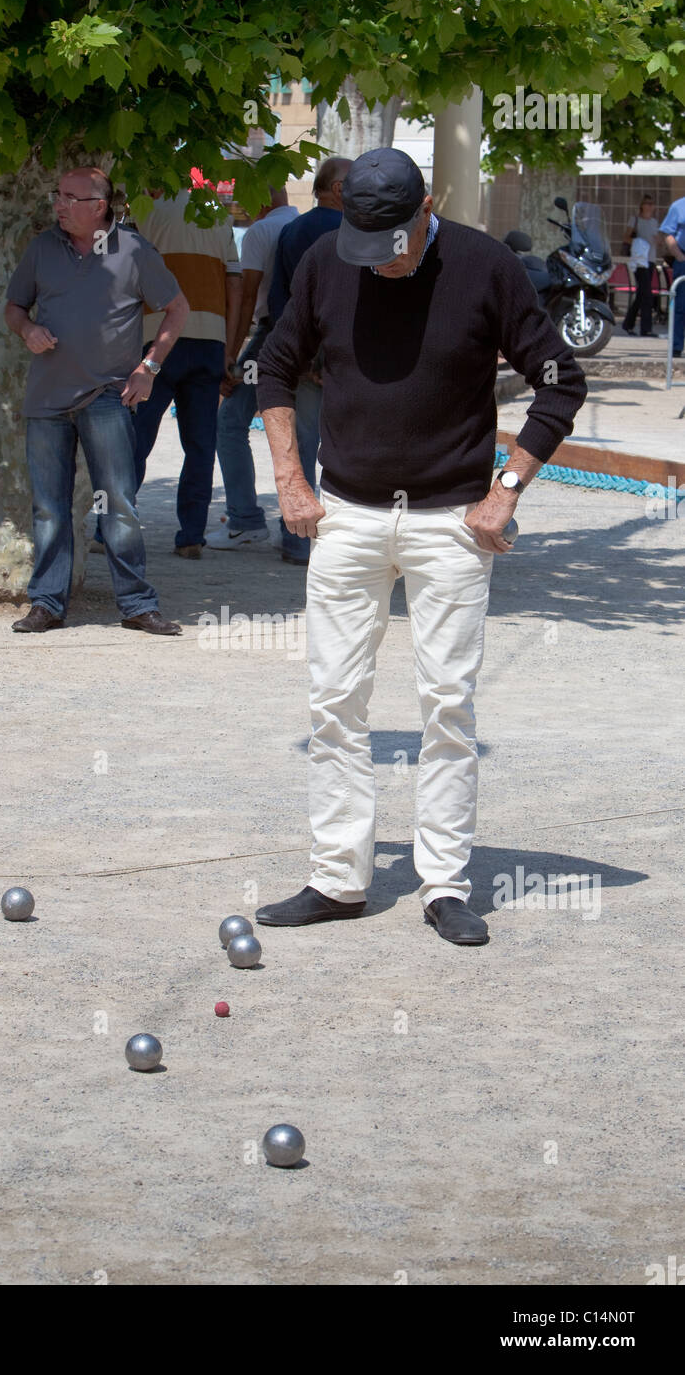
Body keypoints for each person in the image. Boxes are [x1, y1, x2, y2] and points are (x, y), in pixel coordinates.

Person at [253, 148, 588, 945]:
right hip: (346, 515)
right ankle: (338, 879)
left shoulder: (486, 266)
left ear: (428, 204)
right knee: (334, 702)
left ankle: (444, 884)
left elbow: (560, 380)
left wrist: (506, 490)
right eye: (369, 244)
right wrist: (291, 483)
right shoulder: (329, 259)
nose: (387, 262)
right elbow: (273, 367)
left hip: (450, 522)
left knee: (447, 706)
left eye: (397, 242)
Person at [4, 167, 189, 635]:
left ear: (99, 205)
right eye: (58, 195)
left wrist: (150, 368)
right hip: (46, 400)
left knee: (119, 506)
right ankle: (47, 603)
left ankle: (136, 605)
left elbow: (177, 308)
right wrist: (27, 329)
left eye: (71, 197)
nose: (59, 205)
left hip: (107, 395)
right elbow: (13, 306)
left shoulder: (133, 250)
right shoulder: (44, 247)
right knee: (49, 508)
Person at [130, 186, 241, 558]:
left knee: (136, 440)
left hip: (157, 338)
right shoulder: (217, 211)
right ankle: (192, 535)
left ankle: (110, 527)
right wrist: (231, 347)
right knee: (199, 445)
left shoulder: (145, 206)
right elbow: (235, 283)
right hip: (210, 341)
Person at [266, 156, 351, 564]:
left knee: (301, 445)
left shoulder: (292, 230)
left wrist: (296, 356)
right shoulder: (352, 233)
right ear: (338, 189)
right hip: (341, 362)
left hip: (299, 359)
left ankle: (296, 539)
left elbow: (281, 300)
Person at [205, 186, 298, 550]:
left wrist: (231, 357)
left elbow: (245, 297)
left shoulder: (261, 232)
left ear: (263, 201)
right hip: (308, 339)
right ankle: (296, 528)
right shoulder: (302, 223)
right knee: (303, 428)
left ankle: (244, 519)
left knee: (229, 421)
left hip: (271, 334)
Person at [622, 194, 659, 338]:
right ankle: (646, 329)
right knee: (647, 295)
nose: (650, 206)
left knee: (641, 295)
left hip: (651, 260)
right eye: (647, 203)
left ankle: (628, 324)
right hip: (639, 262)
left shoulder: (655, 222)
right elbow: (626, 237)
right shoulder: (635, 220)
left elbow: (657, 240)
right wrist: (639, 243)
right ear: (642, 206)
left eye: (652, 203)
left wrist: (659, 240)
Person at [659, 194, 685, 359]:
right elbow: (668, 234)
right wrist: (679, 256)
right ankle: (676, 346)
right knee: (680, 305)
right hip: (683, 260)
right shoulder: (678, 206)